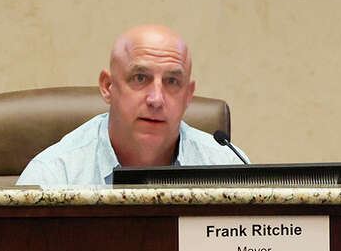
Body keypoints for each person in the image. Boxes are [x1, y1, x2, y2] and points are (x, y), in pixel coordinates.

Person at [17, 24, 240, 185]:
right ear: (108, 86)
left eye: (172, 82)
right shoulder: (54, 176)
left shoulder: (228, 167)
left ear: (188, 96)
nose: (156, 99)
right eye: (140, 78)